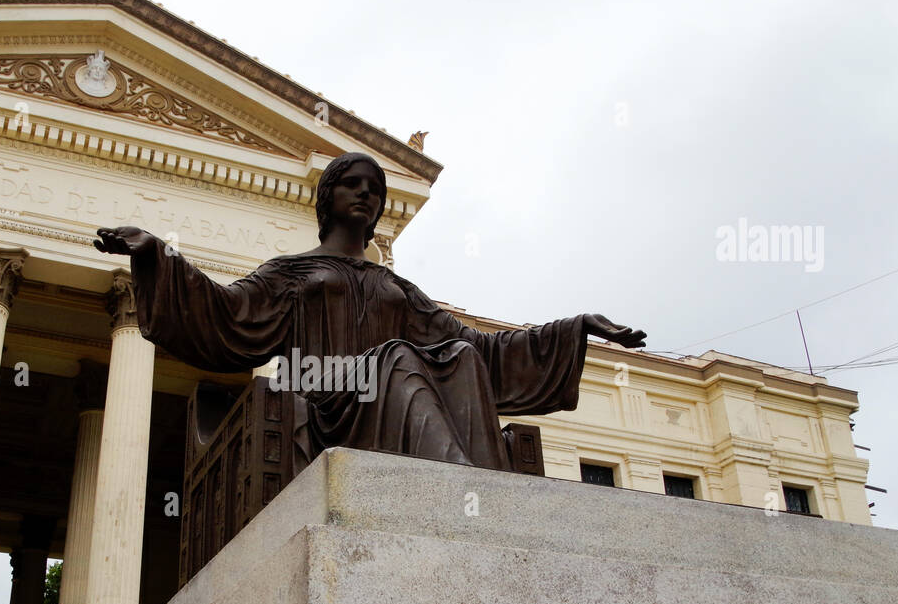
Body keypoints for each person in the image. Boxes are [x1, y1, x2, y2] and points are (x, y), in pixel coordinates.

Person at [94, 151, 646, 473]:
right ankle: (458, 481)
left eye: (375, 190)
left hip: (390, 396)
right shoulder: (291, 273)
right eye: (352, 185)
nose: (366, 195)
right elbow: (226, 311)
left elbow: (480, 348)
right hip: (324, 401)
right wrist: (157, 255)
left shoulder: (395, 288)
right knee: (401, 359)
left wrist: (574, 329)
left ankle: (479, 491)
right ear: (328, 197)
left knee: (453, 354)